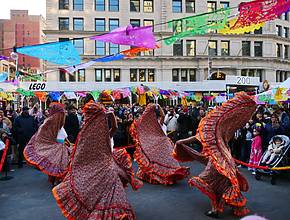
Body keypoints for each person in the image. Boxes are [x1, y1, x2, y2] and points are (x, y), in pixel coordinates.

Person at [174, 92, 256, 218]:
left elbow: (197, 138)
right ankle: (227, 206)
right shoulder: (217, 128)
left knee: (208, 182)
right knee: (224, 183)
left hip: (217, 161)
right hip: (223, 160)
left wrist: (181, 141)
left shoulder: (213, 128)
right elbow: (199, 137)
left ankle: (215, 209)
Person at [52, 101, 139, 220]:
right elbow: (115, 127)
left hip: (98, 172)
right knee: (112, 195)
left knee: (98, 196)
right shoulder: (102, 136)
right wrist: (111, 116)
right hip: (108, 170)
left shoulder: (85, 137)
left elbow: (77, 158)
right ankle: (115, 214)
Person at [130, 103, 189, 185]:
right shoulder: (152, 125)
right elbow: (163, 116)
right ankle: (168, 174)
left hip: (163, 143)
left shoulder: (156, 124)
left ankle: (172, 173)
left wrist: (158, 107)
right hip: (160, 144)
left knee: (168, 160)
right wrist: (158, 107)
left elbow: (163, 116)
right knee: (164, 160)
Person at [23, 103, 71, 186]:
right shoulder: (49, 123)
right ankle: (55, 180)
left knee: (60, 165)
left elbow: (63, 135)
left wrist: (68, 142)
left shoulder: (57, 124)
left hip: (61, 146)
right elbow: (42, 135)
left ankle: (56, 179)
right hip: (55, 147)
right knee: (57, 165)